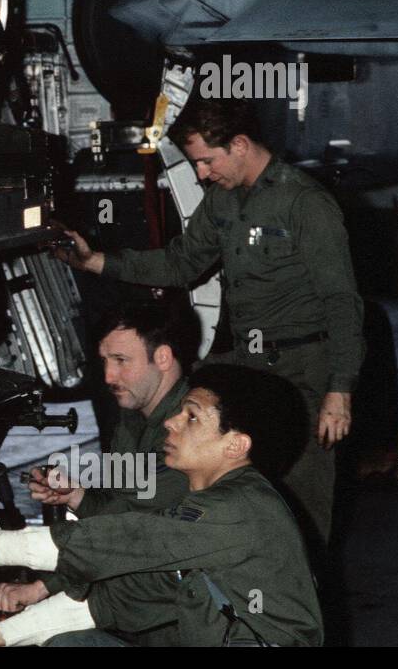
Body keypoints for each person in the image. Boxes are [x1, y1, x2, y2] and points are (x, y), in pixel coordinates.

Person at [53, 99, 363, 548]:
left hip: (304, 373)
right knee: (223, 487)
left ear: (239, 144)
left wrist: (340, 390)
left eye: (205, 160)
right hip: (247, 367)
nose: (201, 173)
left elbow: (342, 302)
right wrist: (96, 261)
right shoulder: (223, 199)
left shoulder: (305, 203)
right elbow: (181, 263)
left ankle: (296, 600)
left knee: (301, 505)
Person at [0, 364, 321, 647]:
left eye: (192, 417)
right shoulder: (214, 505)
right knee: (70, 643)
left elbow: (114, 541)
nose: (171, 423)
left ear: (235, 445)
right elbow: (112, 601)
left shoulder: (233, 509)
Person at [0, 305, 192, 633]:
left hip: (179, 614)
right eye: (105, 362)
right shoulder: (133, 417)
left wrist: (41, 589)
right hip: (139, 596)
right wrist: (77, 496)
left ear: (163, 358)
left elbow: (123, 535)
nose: (109, 377)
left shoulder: (188, 435)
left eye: (121, 361)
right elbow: (118, 512)